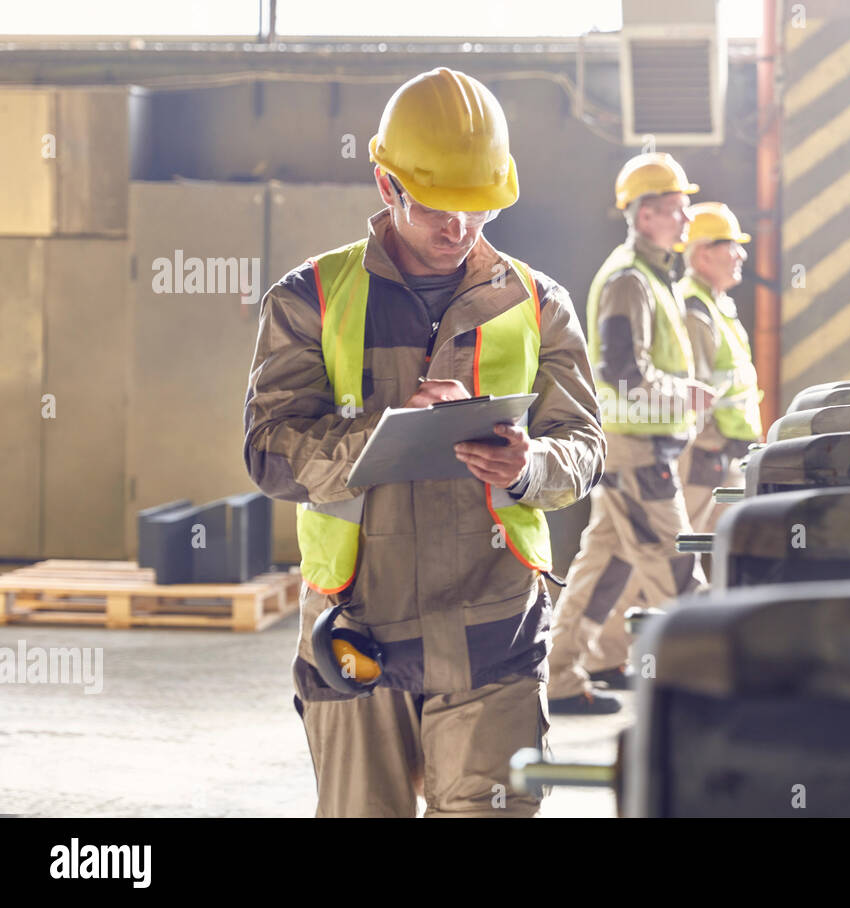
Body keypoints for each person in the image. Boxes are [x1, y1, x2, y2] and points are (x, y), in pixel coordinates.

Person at [242, 68, 605, 816]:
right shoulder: (310, 298)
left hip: (494, 631)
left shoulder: (540, 304)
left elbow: (585, 448)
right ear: (386, 186)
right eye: (441, 207)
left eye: (479, 208)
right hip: (356, 633)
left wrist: (528, 466)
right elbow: (270, 451)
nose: (460, 230)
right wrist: (387, 434)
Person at [546, 153, 715, 714]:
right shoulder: (628, 281)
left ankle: (562, 681)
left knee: (603, 573)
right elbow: (621, 370)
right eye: (677, 211)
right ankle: (708, 692)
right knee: (676, 569)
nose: (687, 223)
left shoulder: (650, 277)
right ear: (646, 217)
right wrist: (684, 394)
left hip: (635, 449)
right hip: (636, 451)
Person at [675, 202, 764, 532]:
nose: (741, 255)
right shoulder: (693, 308)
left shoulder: (716, 304)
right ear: (702, 255)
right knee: (682, 547)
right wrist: (706, 445)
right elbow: (693, 392)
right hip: (706, 454)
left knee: (727, 547)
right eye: (731, 245)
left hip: (727, 453)